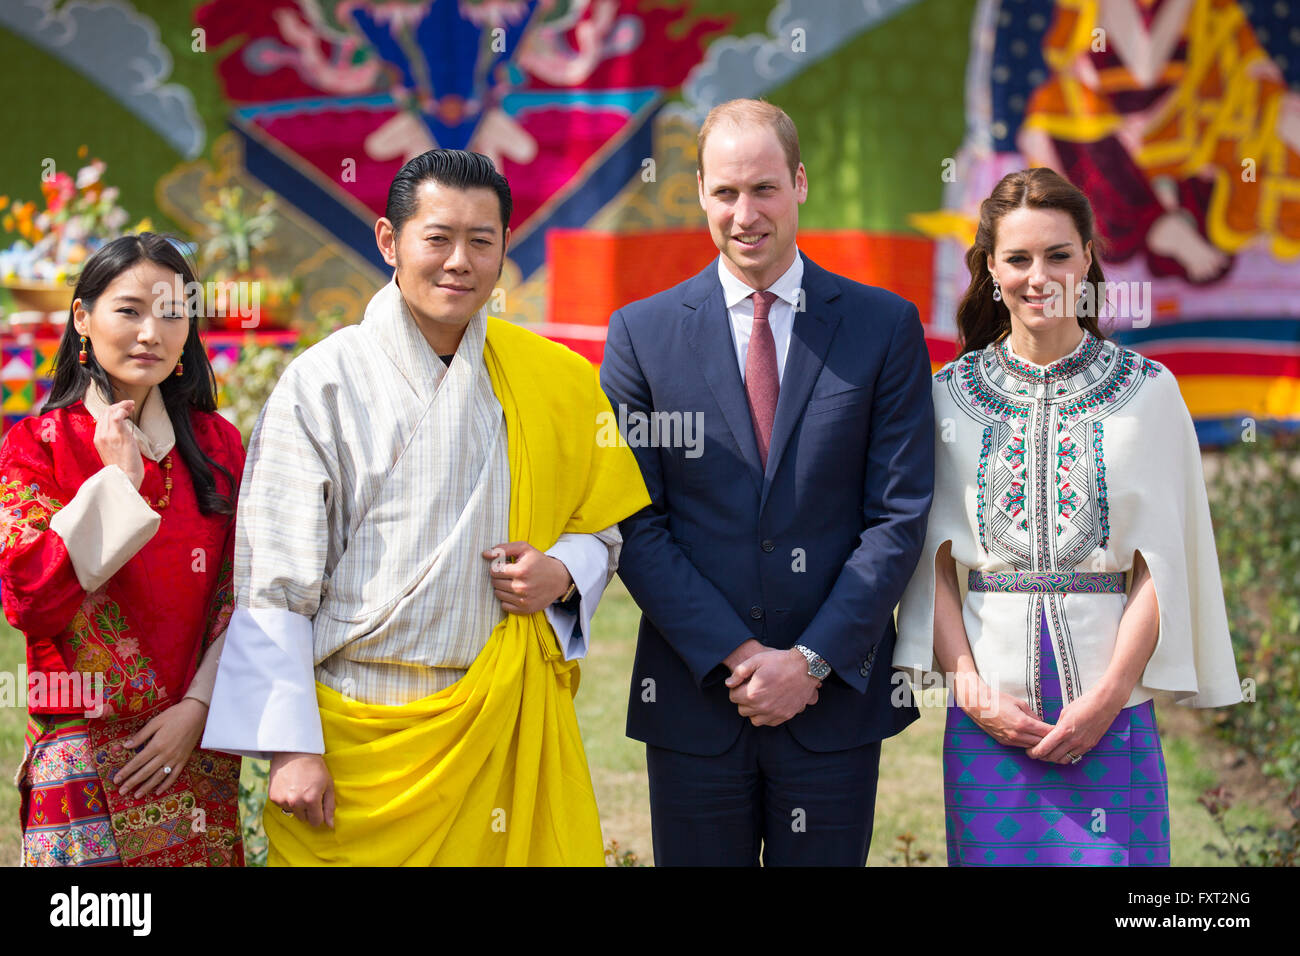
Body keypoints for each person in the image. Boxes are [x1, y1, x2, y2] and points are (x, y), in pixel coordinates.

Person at [202, 149, 649, 866]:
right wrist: (290, 747)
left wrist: (563, 571)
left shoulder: (553, 379)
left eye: (482, 241)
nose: (459, 262)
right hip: (357, 729)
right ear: (389, 241)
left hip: (498, 720)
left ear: (505, 249)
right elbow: (273, 581)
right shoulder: (321, 384)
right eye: (437, 238)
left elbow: (606, 526)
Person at [600, 99, 935, 866]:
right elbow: (636, 522)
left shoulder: (883, 328)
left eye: (764, 189)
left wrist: (810, 662)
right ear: (700, 194)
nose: (744, 214)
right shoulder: (642, 336)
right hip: (693, 703)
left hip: (833, 711)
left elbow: (899, 516)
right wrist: (737, 657)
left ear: (801, 184)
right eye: (725, 193)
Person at [894, 167, 1242, 866]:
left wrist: (1109, 698)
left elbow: (1161, 565)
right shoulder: (943, 398)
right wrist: (971, 693)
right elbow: (925, 560)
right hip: (989, 721)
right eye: (1018, 258)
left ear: (1087, 257)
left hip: (1114, 713)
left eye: (1057, 254)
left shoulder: (1150, 392)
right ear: (991, 268)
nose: (1038, 275)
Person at [1, 233, 245, 866]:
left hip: (195, 750)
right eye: (129, 310)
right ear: (82, 317)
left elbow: (249, 593)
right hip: (80, 756)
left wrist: (199, 706)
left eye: (171, 313)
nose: (151, 333)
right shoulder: (37, 445)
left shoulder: (220, 449)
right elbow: (29, 597)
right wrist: (117, 484)